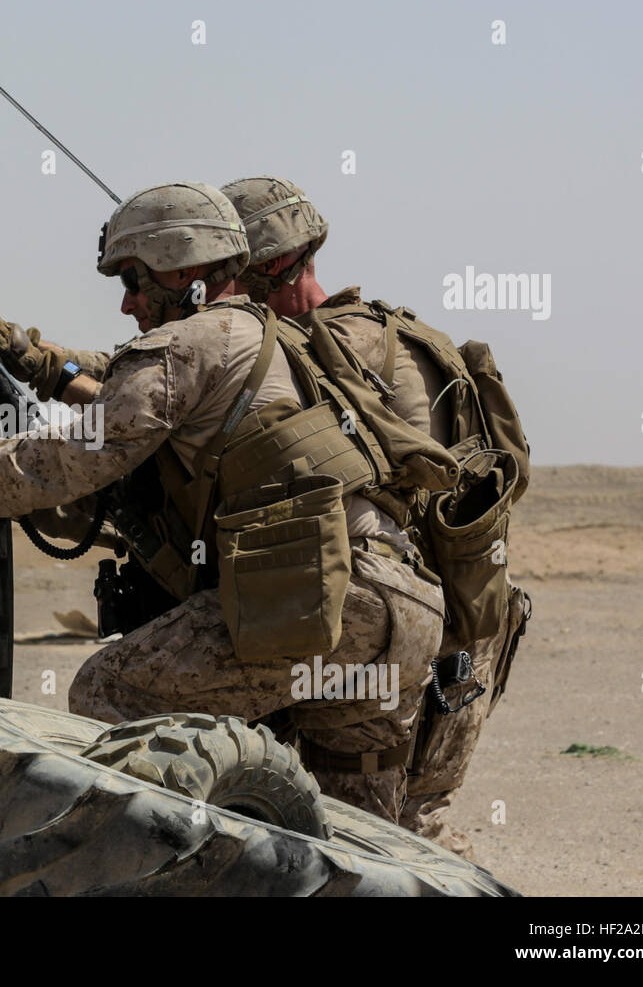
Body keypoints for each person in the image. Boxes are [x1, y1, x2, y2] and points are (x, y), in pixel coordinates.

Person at [0, 181, 453, 823]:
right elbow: (115, 383)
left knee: (111, 691)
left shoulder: (189, 344)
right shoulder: (285, 342)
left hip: (321, 599)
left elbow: (69, 461)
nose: (129, 303)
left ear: (184, 268)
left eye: (133, 279)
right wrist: (26, 353)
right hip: (402, 611)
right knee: (357, 829)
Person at [221, 176, 532, 858]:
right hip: (475, 634)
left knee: (363, 850)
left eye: (227, 275)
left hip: (402, 643)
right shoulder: (417, 336)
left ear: (266, 268)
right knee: (415, 838)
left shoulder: (309, 354)